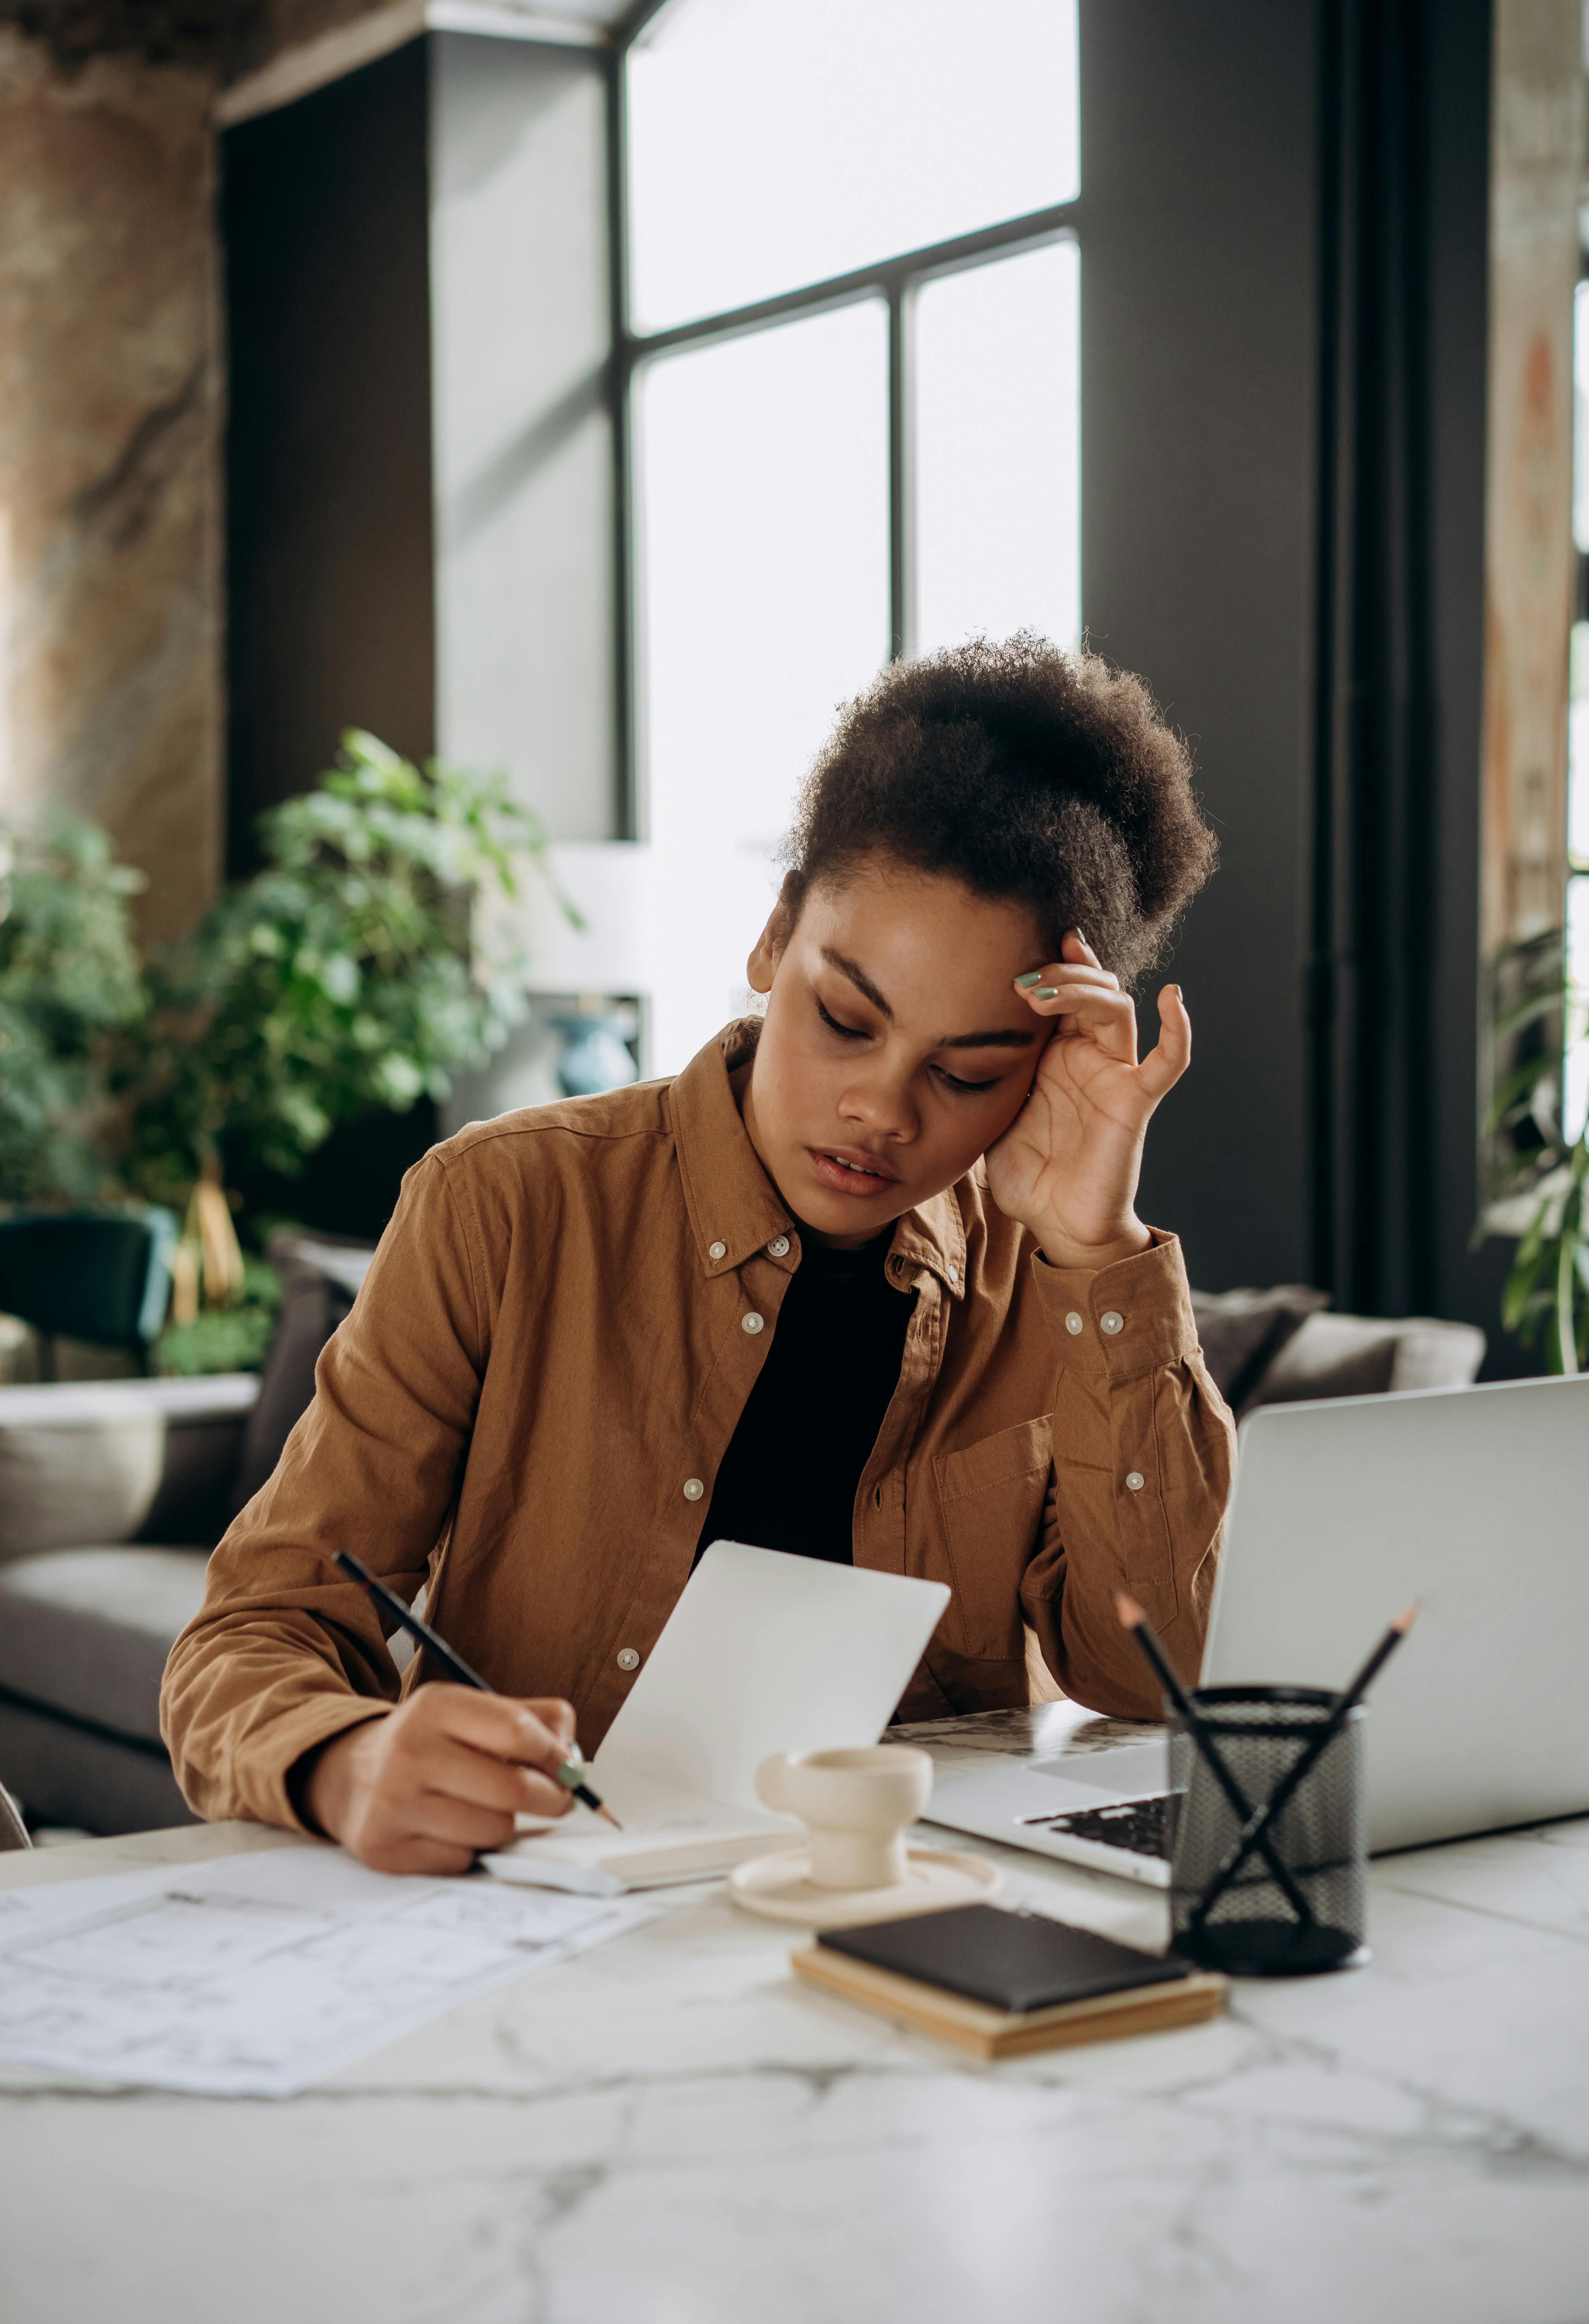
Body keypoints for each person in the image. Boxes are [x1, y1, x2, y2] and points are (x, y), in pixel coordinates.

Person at [162, 634, 1235, 1876]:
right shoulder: (504, 1207)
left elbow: (1166, 1677)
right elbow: (256, 1630)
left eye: (968, 1072)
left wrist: (1095, 1252)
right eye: (846, 1019)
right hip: (541, 1922)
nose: (882, 1111)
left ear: (1040, 1067)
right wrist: (345, 1761)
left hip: (891, 1924)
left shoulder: (1049, 1283)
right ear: (775, 937)